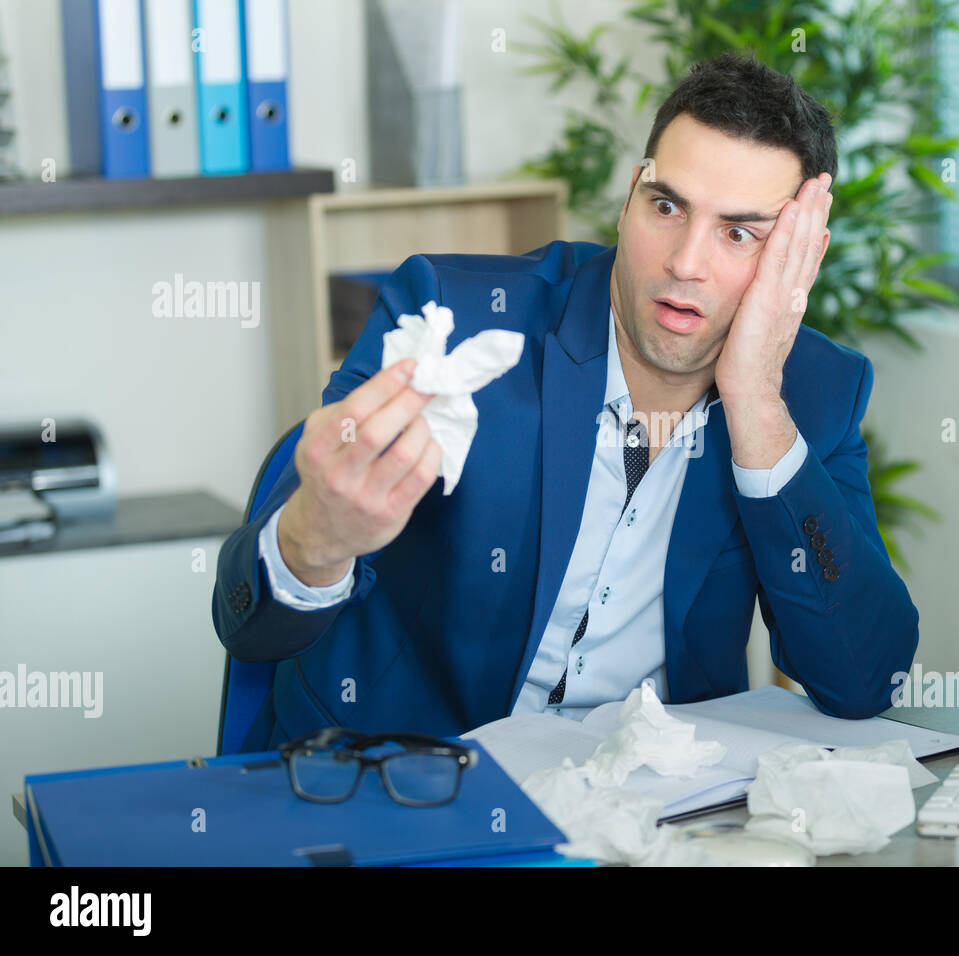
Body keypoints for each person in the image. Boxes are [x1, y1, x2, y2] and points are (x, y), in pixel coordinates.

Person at [213, 51, 919, 749]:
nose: (685, 262)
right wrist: (314, 538)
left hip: (645, 807)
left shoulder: (816, 392)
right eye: (667, 206)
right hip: (403, 784)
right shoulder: (453, 324)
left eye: (739, 234)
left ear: (800, 259)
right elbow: (249, 624)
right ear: (629, 199)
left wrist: (757, 403)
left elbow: (863, 678)